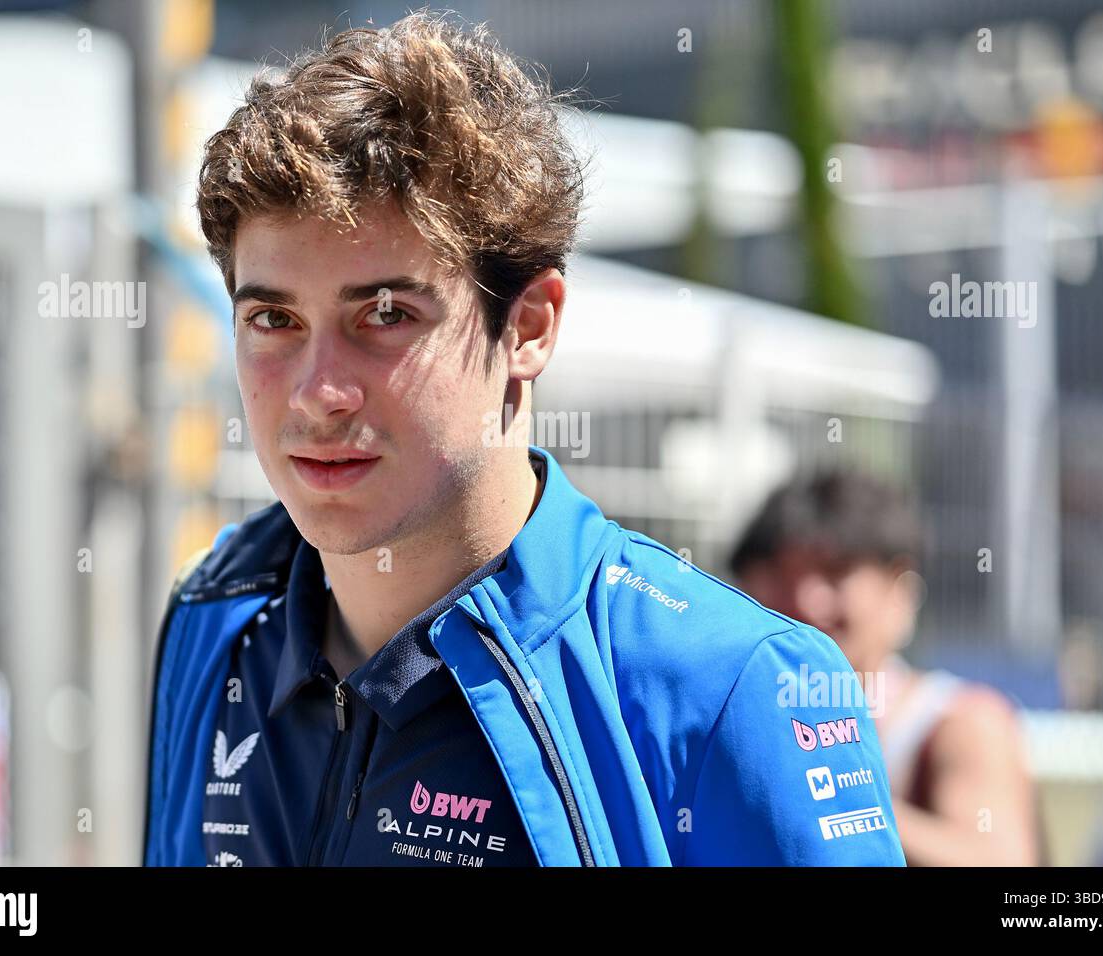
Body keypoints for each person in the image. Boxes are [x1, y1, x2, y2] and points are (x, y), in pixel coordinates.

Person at [143, 10, 905, 867]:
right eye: (274, 318)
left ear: (532, 324)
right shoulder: (214, 613)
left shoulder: (730, 686)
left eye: (386, 314)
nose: (320, 392)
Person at [731, 470, 1042, 866]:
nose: (806, 602)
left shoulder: (960, 722)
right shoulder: (737, 720)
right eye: (780, 576)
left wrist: (831, 794)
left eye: (833, 571)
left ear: (901, 586)